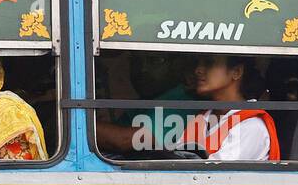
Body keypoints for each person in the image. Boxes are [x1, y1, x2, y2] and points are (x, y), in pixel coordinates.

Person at [98, 54, 278, 162]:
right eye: (198, 64)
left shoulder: (251, 126)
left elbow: (214, 179)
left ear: (236, 72)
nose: (198, 70)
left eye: (209, 63)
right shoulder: (204, 118)